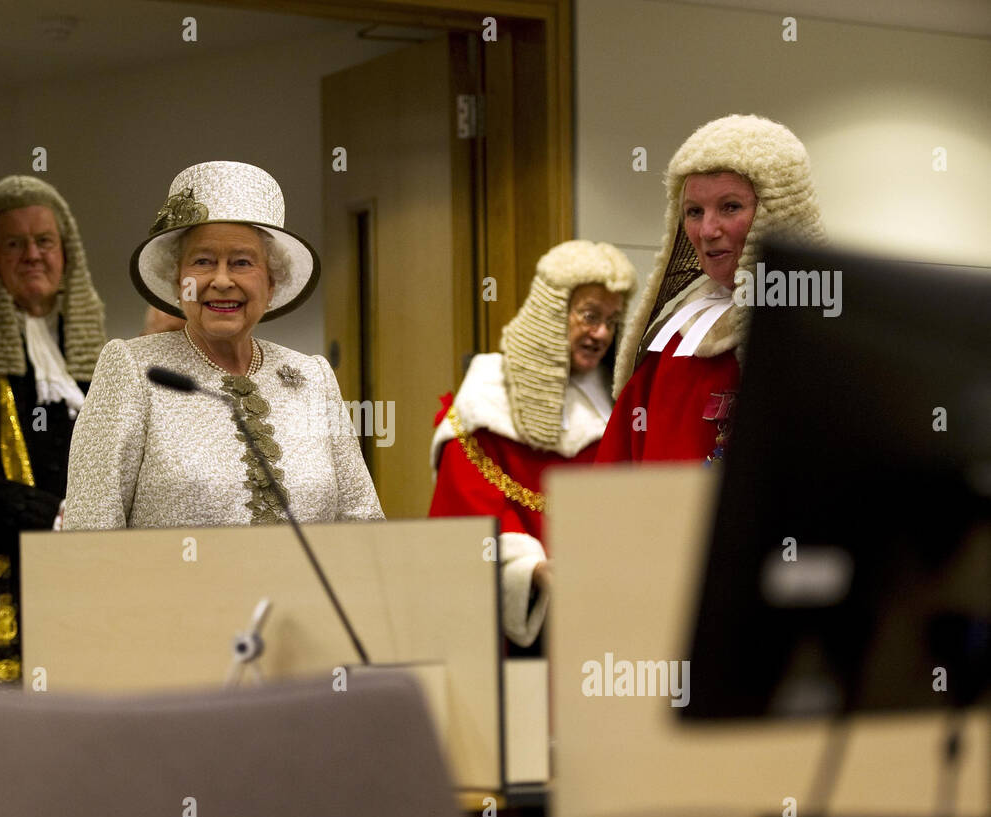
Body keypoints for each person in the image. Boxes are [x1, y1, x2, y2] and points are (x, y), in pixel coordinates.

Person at [63, 161, 382, 530]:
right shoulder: (133, 370)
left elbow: (362, 522)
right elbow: (90, 529)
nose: (221, 280)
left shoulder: (313, 377)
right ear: (177, 279)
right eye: (203, 261)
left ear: (272, 282)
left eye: (242, 262)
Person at [428, 240, 636, 647]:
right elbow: (468, 513)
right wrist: (531, 570)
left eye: (612, 321)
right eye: (590, 316)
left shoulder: (616, 399)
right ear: (553, 313)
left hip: (598, 606)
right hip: (513, 617)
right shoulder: (486, 397)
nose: (601, 334)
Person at [0, 175, 107, 682]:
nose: (32, 254)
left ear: (66, 254)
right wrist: (56, 518)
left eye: (44, 241)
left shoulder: (103, 356)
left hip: (94, 573)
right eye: (15, 243)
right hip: (5, 578)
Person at [596, 114, 826, 464]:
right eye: (693, 211)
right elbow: (617, 471)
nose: (707, 230)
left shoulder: (825, 335)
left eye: (730, 207)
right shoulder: (674, 337)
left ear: (777, 212)